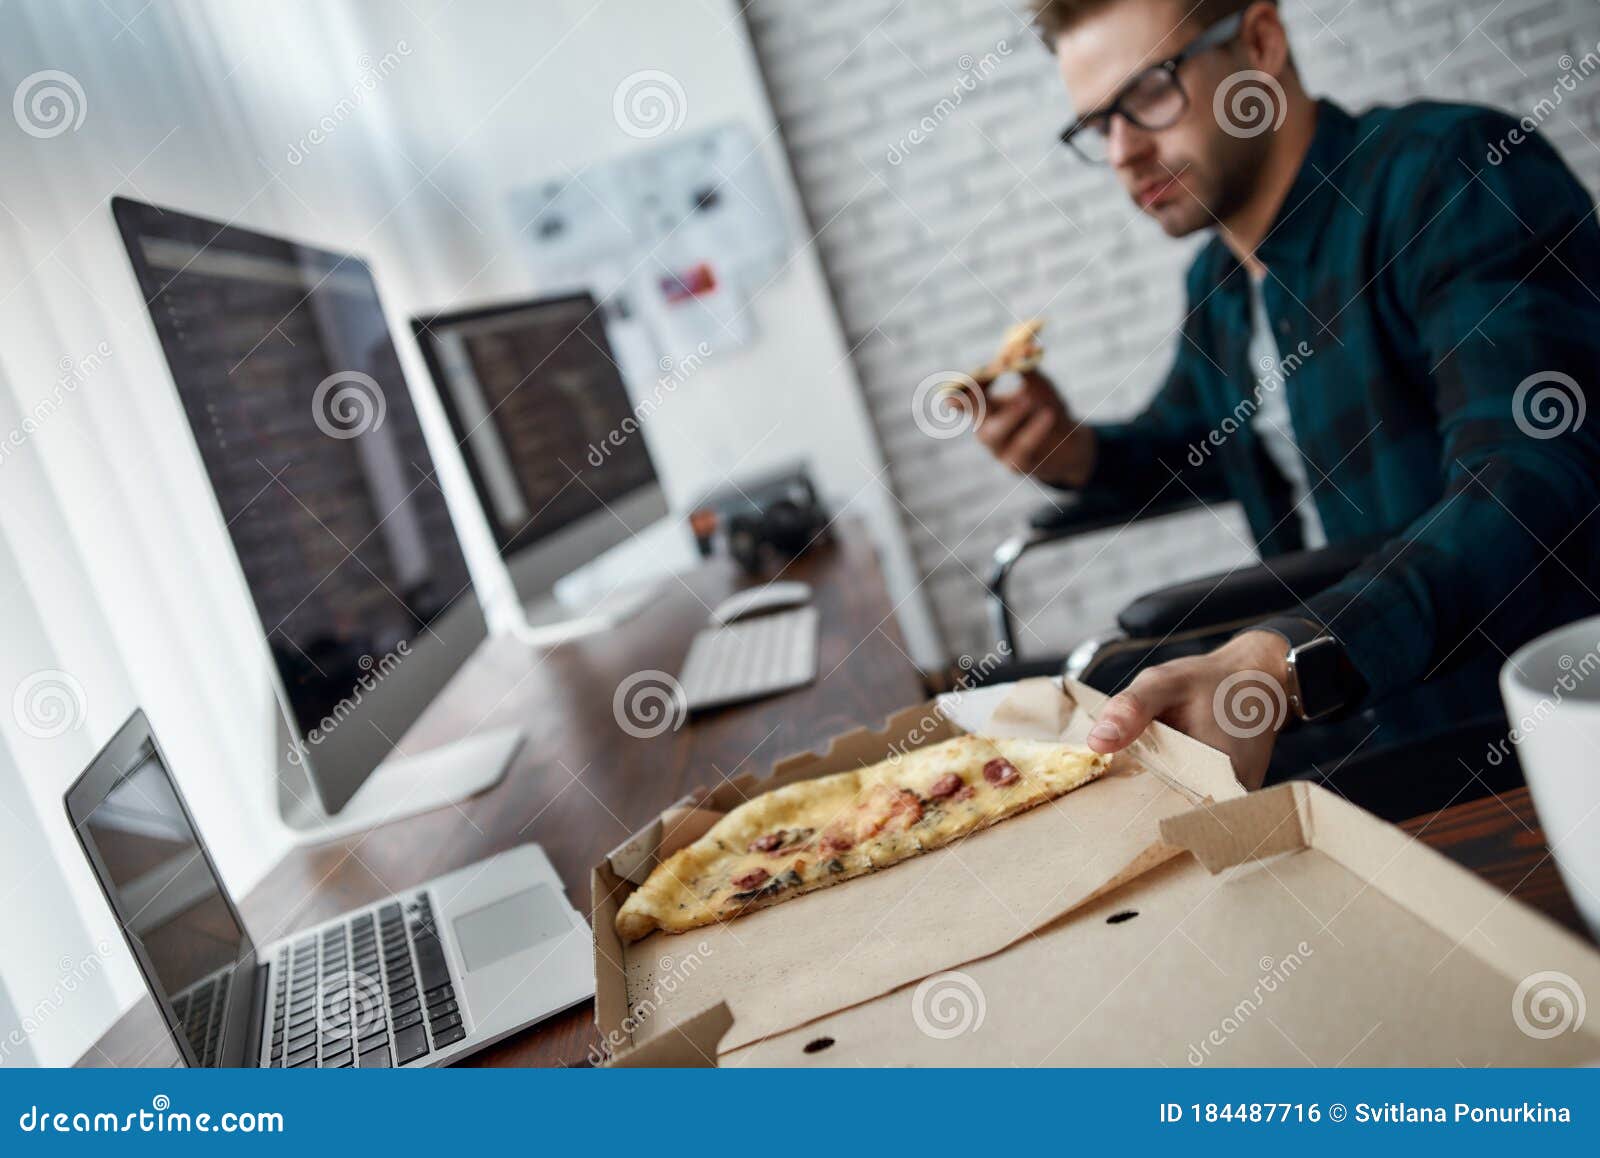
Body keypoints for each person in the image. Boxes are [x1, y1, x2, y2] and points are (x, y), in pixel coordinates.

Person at [966, 0, 1600, 787]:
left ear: (1261, 43)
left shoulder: (1452, 173)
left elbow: (1529, 482)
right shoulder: (1221, 284)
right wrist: (1070, 451)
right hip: (1343, 715)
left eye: (1150, 94)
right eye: (1099, 125)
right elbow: (1187, 441)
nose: (1125, 150)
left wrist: (1278, 665)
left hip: (1511, 722)